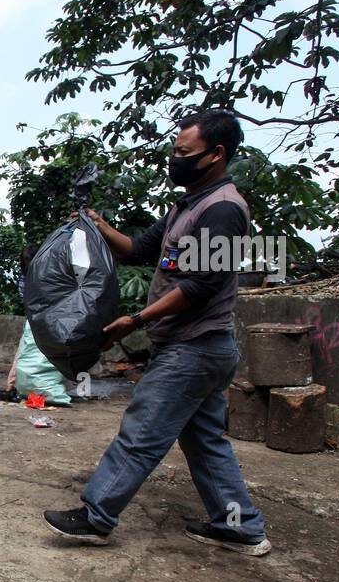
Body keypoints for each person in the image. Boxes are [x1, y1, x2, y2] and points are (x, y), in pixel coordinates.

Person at [43, 109, 271, 556]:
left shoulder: (223, 209)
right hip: (198, 347)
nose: (174, 159)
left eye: (184, 152)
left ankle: (96, 516)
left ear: (216, 155)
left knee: (143, 429)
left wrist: (136, 321)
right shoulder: (186, 207)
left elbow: (202, 285)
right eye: (174, 150)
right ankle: (240, 525)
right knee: (204, 440)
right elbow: (136, 249)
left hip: (195, 346)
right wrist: (94, 221)